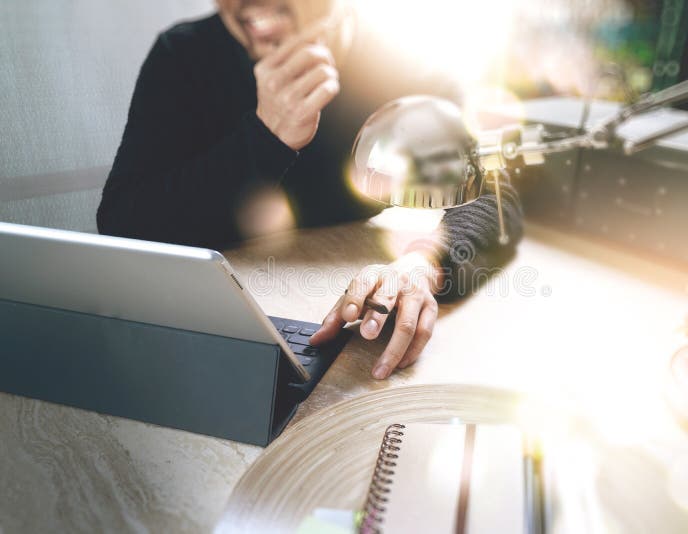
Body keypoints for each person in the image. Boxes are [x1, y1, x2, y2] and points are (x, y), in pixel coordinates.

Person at [97, 0, 523, 379]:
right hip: (208, 325)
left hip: (336, 317)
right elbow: (124, 220)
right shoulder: (184, 53)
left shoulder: (403, 61)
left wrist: (423, 264)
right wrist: (266, 136)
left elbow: (496, 195)